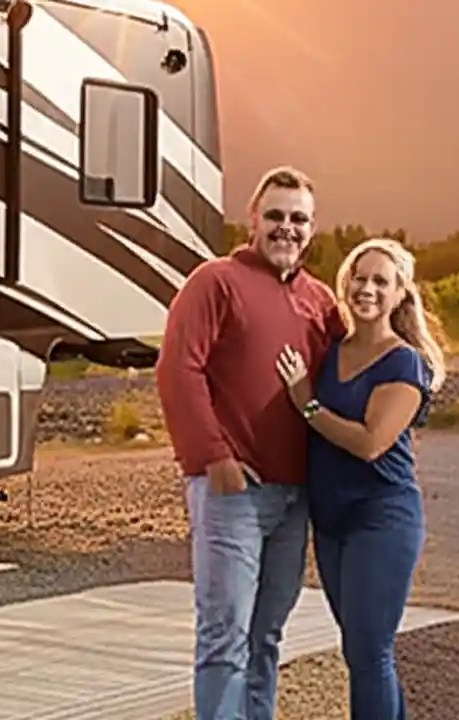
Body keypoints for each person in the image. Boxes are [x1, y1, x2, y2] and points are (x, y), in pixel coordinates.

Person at [156, 166, 344, 720]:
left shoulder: (320, 302)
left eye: (299, 218)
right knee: (225, 635)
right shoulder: (215, 282)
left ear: (312, 229)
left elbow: (347, 375)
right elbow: (178, 370)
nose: (287, 227)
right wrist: (213, 456)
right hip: (233, 494)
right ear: (253, 220)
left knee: (266, 637)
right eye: (276, 215)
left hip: (295, 497)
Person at [275, 237, 448, 719]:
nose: (366, 288)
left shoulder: (404, 363)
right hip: (332, 523)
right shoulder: (330, 353)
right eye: (359, 277)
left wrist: (307, 404)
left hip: (382, 519)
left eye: (380, 281)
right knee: (360, 650)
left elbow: (371, 443)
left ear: (399, 294)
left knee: (370, 653)